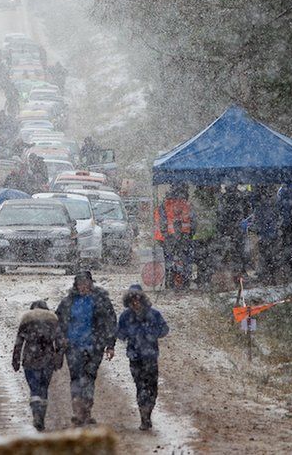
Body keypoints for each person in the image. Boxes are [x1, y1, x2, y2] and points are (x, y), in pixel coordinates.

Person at [55, 272, 117, 426]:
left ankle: (87, 411)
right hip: (73, 347)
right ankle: (77, 411)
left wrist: (110, 345)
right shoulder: (68, 302)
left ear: (91, 284)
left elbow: (110, 322)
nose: (83, 286)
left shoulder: (101, 301)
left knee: (89, 378)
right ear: (76, 285)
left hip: (94, 348)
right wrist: (60, 340)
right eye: (80, 283)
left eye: (86, 283)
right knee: (76, 378)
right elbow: (58, 322)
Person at [116, 285, 169, 430]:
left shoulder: (154, 314)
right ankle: (144, 418)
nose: (135, 302)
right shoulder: (125, 316)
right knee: (141, 387)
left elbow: (165, 329)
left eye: (137, 298)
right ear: (128, 301)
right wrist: (127, 334)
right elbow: (119, 333)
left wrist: (152, 334)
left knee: (152, 388)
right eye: (132, 299)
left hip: (151, 357)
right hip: (135, 358)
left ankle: (149, 412)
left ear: (142, 299)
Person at [12, 300, 64, 431]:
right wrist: (59, 358)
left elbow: (19, 341)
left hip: (30, 358)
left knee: (34, 389)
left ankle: (36, 414)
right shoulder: (53, 319)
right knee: (43, 388)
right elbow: (60, 342)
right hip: (48, 358)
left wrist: (16, 359)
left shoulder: (26, 318)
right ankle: (41, 416)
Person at [153, 184, 194, 289]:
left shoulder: (165, 205)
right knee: (181, 260)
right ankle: (181, 281)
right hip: (181, 237)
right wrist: (187, 235)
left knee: (169, 260)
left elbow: (162, 222)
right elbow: (192, 222)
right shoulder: (186, 205)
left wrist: (167, 236)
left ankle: (171, 281)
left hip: (168, 238)